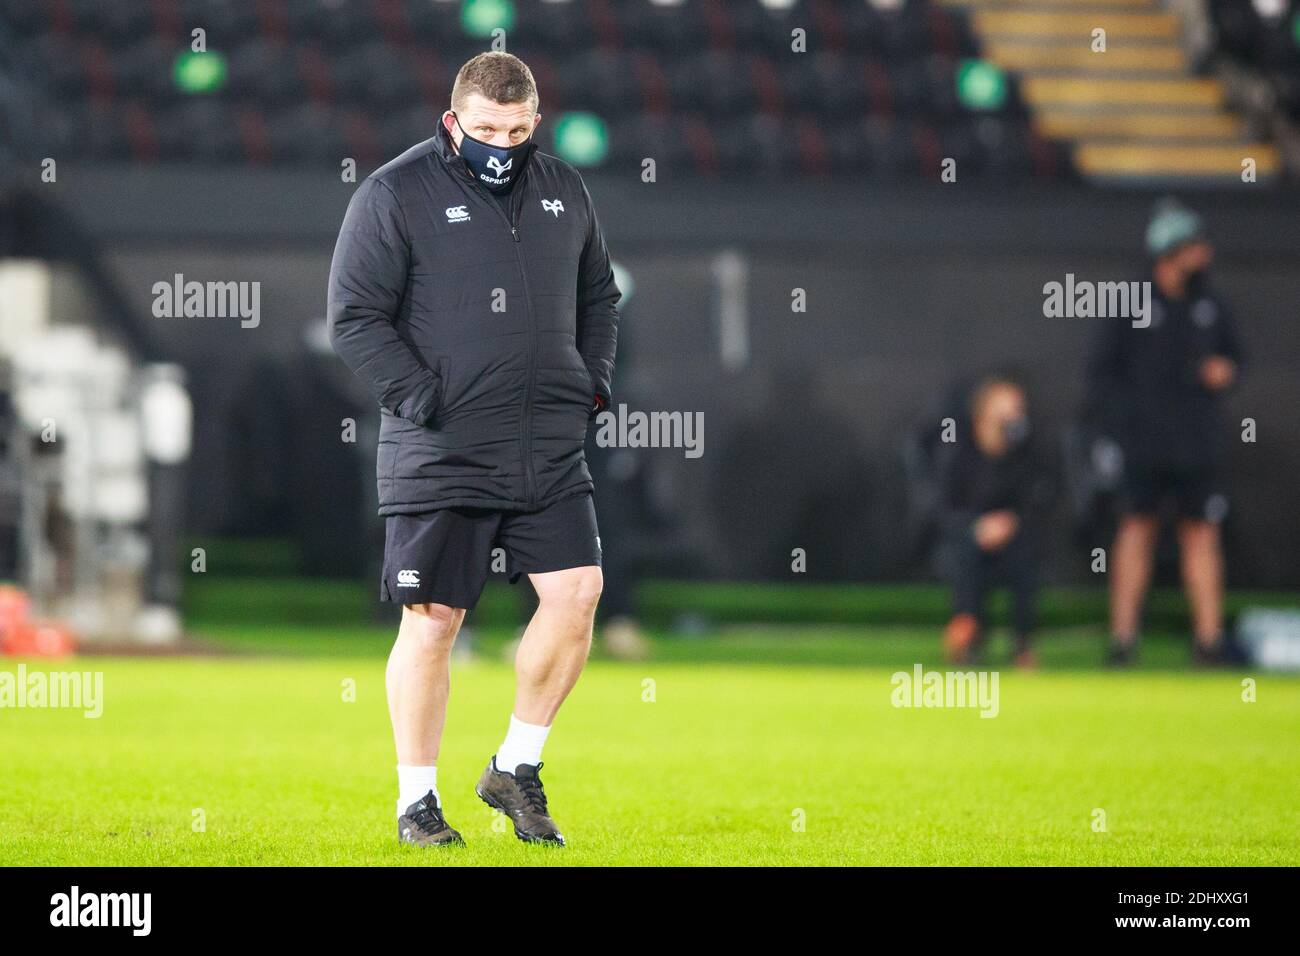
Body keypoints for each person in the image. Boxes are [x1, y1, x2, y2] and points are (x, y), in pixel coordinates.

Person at [327, 52, 620, 847]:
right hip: (443, 451)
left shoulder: (565, 188)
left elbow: (599, 296)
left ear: (536, 124)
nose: (503, 144)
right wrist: (425, 400)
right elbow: (355, 318)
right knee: (433, 622)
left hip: (547, 447)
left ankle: (515, 768)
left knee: (579, 593)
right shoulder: (394, 191)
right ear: (454, 121)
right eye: (487, 130)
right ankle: (416, 802)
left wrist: (588, 382)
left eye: (519, 131)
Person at [1088, 198, 1242, 667]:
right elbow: (1102, 373)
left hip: (1197, 445)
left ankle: (1208, 642)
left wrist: (1224, 371)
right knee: (1136, 530)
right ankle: (1123, 641)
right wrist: (1125, 425)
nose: (1204, 257)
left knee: (1201, 534)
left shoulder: (1211, 306)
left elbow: (1236, 360)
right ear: (1169, 252)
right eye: (1194, 248)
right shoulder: (1130, 304)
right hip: (1144, 446)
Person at [938, 376, 1052, 668]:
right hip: (970, 544)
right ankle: (967, 633)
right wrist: (977, 527)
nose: (1014, 418)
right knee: (966, 553)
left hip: (1016, 543)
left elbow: (1040, 505)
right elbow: (943, 511)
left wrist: (1010, 524)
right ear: (983, 415)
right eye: (1006, 410)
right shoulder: (957, 457)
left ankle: (1023, 644)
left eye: (1018, 411)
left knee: (1024, 554)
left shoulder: (1028, 457)